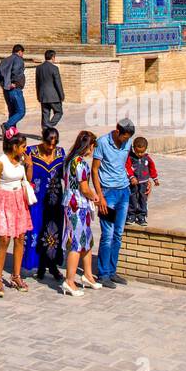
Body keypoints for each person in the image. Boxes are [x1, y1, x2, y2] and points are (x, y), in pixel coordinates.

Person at [92, 118, 137, 286]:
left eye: (128, 138)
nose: (126, 140)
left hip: (123, 192)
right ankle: (103, 274)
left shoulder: (128, 142)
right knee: (107, 235)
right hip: (108, 194)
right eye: (124, 137)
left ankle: (112, 270)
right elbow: (94, 170)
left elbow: (126, 162)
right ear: (117, 131)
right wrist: (100, 196)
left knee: (118, 234)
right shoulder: (102, 143)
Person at [0, 130, 33, 296]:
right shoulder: (0, 162)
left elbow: (28, 179)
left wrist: (29, 165)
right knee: (4, 239)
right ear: (14, 146)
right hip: (4, 200)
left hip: (19, 200)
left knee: (20, 238)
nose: (25, 149)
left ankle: (16, 275)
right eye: (23, 147)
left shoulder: (22, 161)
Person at [61, 130, 101, 296]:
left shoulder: (70, 160)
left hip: (76, 205)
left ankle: (88, 275)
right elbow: (84, 188)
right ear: (89, 146)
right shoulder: (80, 163)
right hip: (76, 206)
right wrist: (95, 196)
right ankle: (69, 281)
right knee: (76, 242)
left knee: (87, 240)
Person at [23, 126, 65, 279]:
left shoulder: (60, 153)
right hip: (37, 200)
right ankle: (39, 265)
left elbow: (64, 175)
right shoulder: (31, 152)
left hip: (55, 200)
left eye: (54, 144)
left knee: (54, 231)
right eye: (49, 144)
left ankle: (52, 265)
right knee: (37, 230)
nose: (51, 148)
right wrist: (29, 166)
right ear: (43, 140)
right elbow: (28, 178)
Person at [126, 136, 159, 225]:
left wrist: (155, 178)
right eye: (137, 152)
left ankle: (142, 216)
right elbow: (127, 168)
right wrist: (131, 177)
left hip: (144, 183)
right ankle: (131, 215)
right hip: (133, 183)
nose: (140, 154)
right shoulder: (131, 158)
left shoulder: (147, 158)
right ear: (134, 149)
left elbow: (152, 168)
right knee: (132, 198)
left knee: (142, 199)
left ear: (146, 149)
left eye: (142, 152)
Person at [0, 43, 26, 131]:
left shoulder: (4, 60)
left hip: (6, 90)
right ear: (20, 52)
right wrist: (14, 83)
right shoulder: (18, 59)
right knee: (21, 111)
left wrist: (3, 84)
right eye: (22, 53)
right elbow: (16, 72)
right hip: (15, 89)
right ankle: (6, 126)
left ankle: (11, 132)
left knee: (12, 111)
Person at [35, 50, 64, 131]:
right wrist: (61, 95)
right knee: (59, 112)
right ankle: (48, 127)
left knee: (45, 114)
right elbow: (58, 83)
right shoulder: (54, 68)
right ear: (53, 57)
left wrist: (38, 95)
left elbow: (37, 83)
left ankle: (45, 131)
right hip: (53, 96)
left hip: (43, 95)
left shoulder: (39, 68)